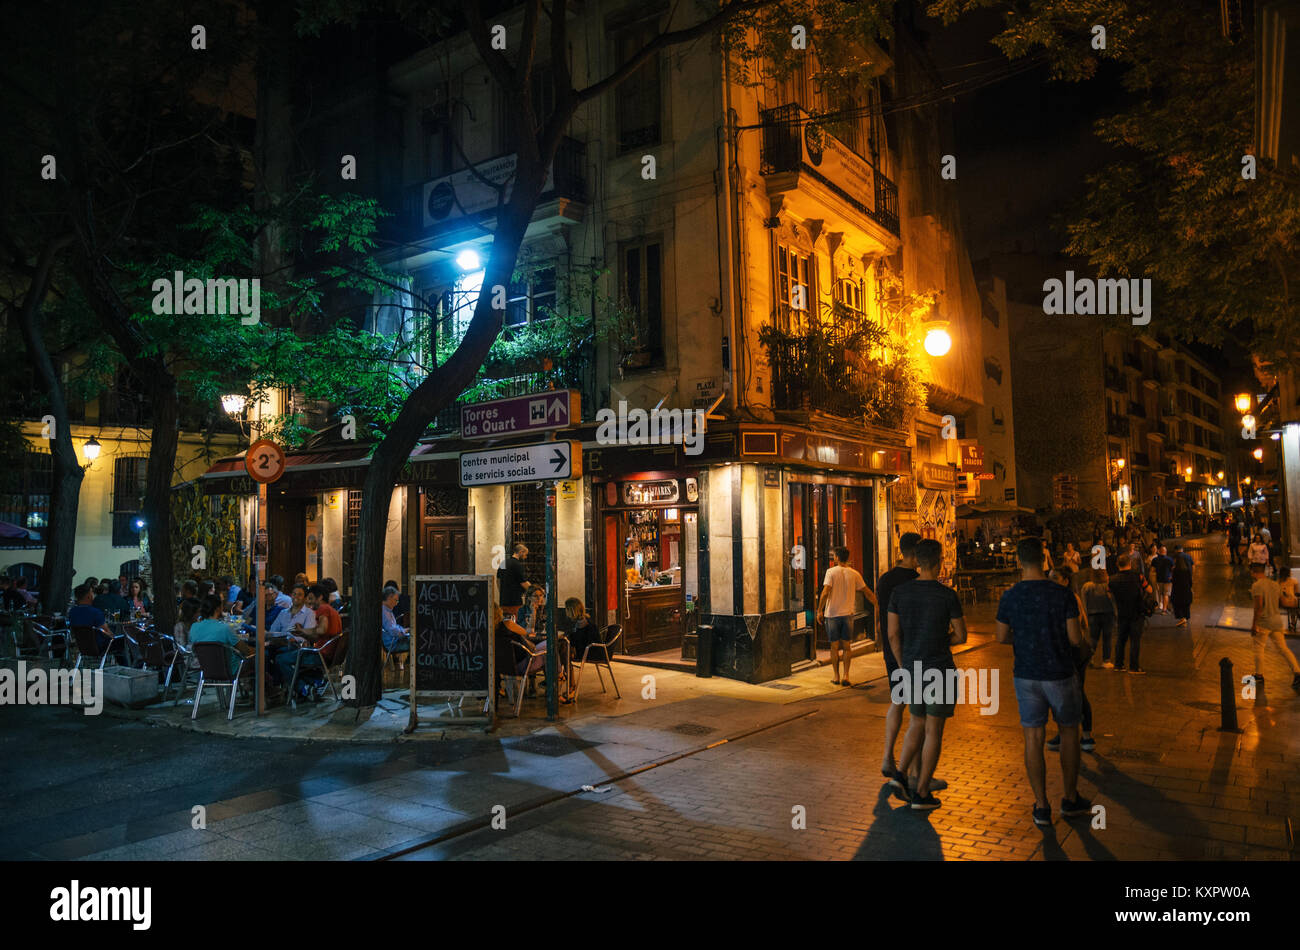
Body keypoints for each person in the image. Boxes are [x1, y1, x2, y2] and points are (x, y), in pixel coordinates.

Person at [996, 537, 1091, 826]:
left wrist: (1024, 640)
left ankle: (1041, 805)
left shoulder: (1010, 596)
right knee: (1069, 733)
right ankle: (1070, 797)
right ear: (1044, 560)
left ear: (1018, 561)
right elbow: (1075, 638)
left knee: (1033, 738)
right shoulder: (1061, 594)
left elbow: (1001, 637)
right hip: (1060, 673)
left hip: (1026, 675)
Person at [886, 538, 966, 811]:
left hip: (911, 667)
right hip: (939, 669)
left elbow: (893, 634)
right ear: (939, 560)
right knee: (934, 730)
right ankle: (921, 791)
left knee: (916, 723)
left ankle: (901, 773)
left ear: (917, 561)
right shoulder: (947, 595)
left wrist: (903, 664)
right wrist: (944, 641)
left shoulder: (899, 593)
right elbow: (961, 634)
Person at [875, 532, 926, 787]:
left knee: (897, 701)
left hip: (889, 648)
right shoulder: (917, 581)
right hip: (911, 650)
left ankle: (887, 757)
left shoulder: (885, 579)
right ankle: (915, 772)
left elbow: (882, 616)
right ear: (915, 553)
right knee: (919, 713)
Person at [1048, 566, 1096, 754]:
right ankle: (1065, 732)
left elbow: (1079, 628)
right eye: (1049, 578)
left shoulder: (1070, 598)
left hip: (1074, 652)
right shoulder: (1055, 599)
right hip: (1063, 651)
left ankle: (1086, 735)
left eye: (1055, 578)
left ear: (1065, 581)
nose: (1051, 582)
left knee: (1076, 693)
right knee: (1061, 694)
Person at [815, 545, 878, 688]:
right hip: (848, 614)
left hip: (832, 614)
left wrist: (819, 610)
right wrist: (877, 604)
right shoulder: (854, 574)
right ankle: (846, 676)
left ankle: (836, 676)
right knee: (847, 646)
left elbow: (825, 592)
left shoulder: (831, 572)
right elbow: (866, 591)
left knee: (834, 646)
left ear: (836, 557)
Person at [275, 584, 345, 695]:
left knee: (280, 659)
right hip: (330, 656)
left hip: (321, 655)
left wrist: (302, 631)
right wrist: (303, 633)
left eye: (311, 598)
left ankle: (303, 688)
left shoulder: (323, 609)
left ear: (320, 597)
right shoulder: (333, 611)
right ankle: (316, 681)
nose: (310, 602)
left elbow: (321, 630)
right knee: (289, 658)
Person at [1249, 563, 1300, 693]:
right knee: (1283, 649)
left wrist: (1254, 624)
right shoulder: (1274, 584)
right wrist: (1295, 603)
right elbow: (1283, 602)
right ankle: (1297, 672)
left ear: (1253, 572)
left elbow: (1258, 607)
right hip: (1276, 622)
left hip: (1263, 623)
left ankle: (1259, 675)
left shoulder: (1256, 586)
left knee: (1259, 648)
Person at [67, 583, 126, 662]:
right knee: (123, 641)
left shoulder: (72, 612)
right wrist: (116, 636)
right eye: (92, 592)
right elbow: (106, 632)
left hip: (81, 646)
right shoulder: (95, 612)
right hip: (99, 646)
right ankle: (125, 667)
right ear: (88, 595)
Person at [1109, 554, 1147, 673]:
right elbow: (1149, 589)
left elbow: (1109, 595)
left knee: (1121, 639)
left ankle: (1118, 665)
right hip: (1136, 613)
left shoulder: (1112, 579)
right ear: (1130, 563)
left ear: (1117, 565)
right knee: (1135, 641)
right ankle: (1134, 667)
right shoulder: (1138, 576)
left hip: (1121, 613)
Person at [1081, 566, 1117, 668]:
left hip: (1093, 615)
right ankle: (1106, 661)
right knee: (1107, 638)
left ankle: (1089, 659)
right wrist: (1116, 614)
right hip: (1108, 615)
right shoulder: (1108, 586)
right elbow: (1113, 601)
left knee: (1093, 639)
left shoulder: (1087, 586)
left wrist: (1085, 615)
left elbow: (1084, 603)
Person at [498, 543, 531, 610]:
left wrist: (503, 592)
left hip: (503, 600)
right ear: (521, 552)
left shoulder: (503, 563)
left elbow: (498, 580)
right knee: (515, 619)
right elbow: (523, 582)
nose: (525, 557)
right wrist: (534, 590)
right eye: (525, 554)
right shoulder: (518, 565)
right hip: (515, 601)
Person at [380, 586, 410, 656]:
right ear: (389, 597)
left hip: (394, 642)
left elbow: (393, 627)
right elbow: (392, 630)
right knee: (418, 642)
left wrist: (404, 630)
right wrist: (404, 631)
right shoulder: (384, 612)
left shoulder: (387, 610)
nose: (396, 603)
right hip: (393, 644)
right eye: (396, 600)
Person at [1170, 545, 1194, 628]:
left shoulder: (1176, 571)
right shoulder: (1186, 571)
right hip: (1186, 590)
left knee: (1177, 604)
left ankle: (1182, 618)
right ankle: (1184, 619)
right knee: (1186, 604)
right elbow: (1190, 581)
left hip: (1178, 591)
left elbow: (1173, 581)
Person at [1151, 545, 1174, 614]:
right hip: (1168, 579)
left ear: (1159, 552)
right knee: (1166, 594)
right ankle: (1164, 609)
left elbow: (1152, 570)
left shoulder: (1155, 560)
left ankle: (1161, 606)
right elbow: (1173, 569)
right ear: (1165, 552)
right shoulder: (1169, 559)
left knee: (1160, 594)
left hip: (1159, 579)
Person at [1278, 566, 1299, 633]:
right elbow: (1296, 592)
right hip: (1292, 602)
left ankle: (1292, 624)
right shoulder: (1294, 581)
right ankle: (1293, 624)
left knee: (1293, 608)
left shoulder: (1278, 582)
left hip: (1282, 602)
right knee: (1295, 606)